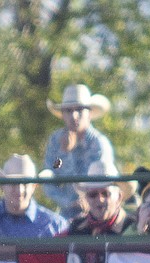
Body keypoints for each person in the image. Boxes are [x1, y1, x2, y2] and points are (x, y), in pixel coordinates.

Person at [43, 84, 116, 219]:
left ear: (89, 113)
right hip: (65, 214)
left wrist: (68, 153)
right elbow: (48, 177)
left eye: (79, 110)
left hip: (97, 214)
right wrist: (68, 202)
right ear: (63, 115)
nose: (74, 116)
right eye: (68, 111)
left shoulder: (99, 144)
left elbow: (100, 184)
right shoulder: (55, 140)